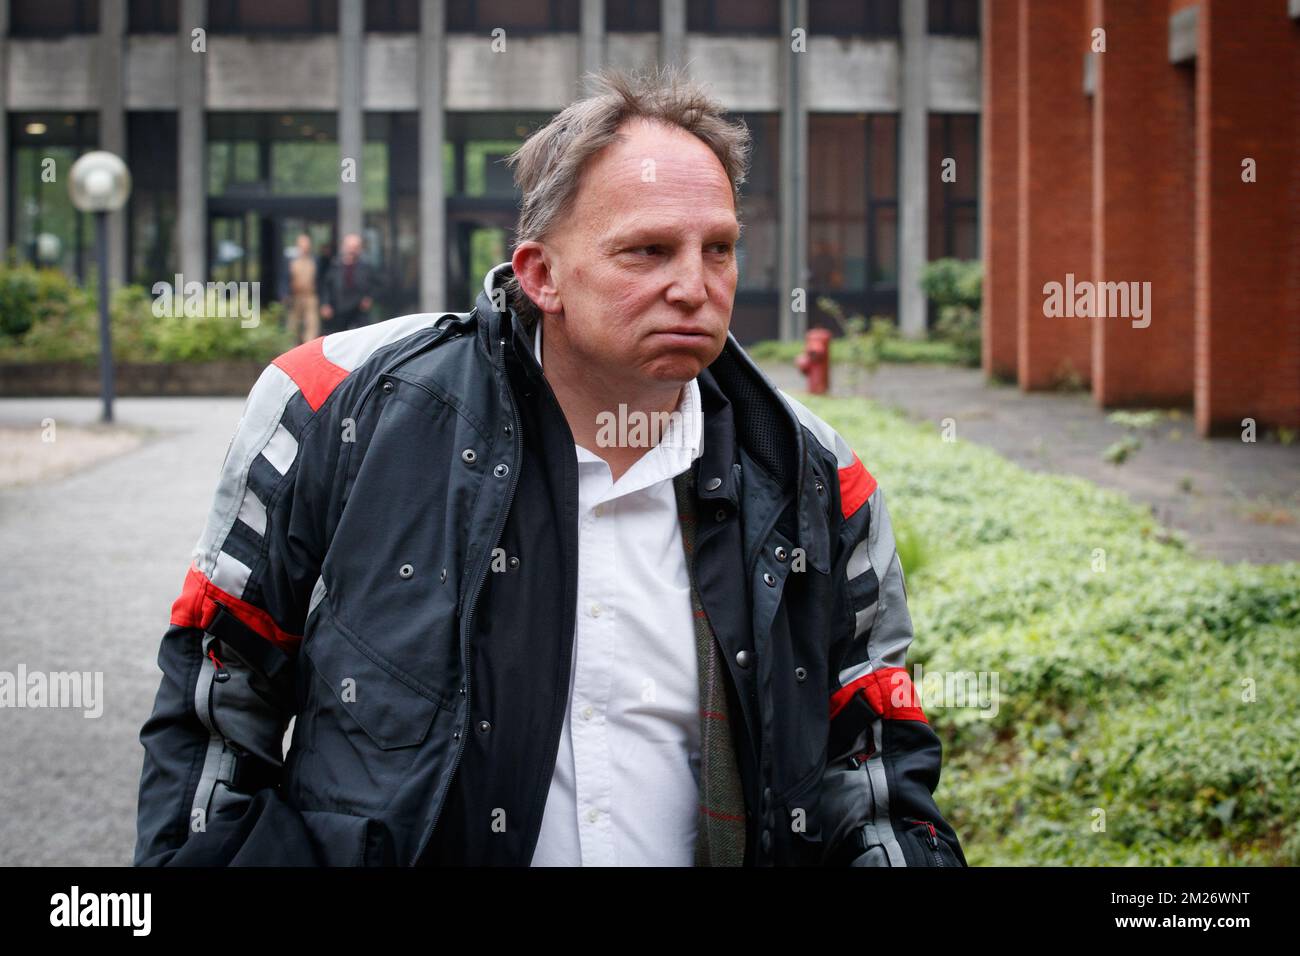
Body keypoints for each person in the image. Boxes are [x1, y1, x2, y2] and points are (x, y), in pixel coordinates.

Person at [133, 66, 967, 867]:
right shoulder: (338, 407)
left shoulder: (813, 476)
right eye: (648, 251)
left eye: (718, 248)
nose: (694, 286)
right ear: (541, 275)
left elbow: (870, 766)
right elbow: (220, 689)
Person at [319, 233, 376, 333]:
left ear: (360, 249)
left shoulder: (366, 267)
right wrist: (325, 304)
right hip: (338, 310)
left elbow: (377, 284)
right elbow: (325, 286)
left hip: (359, 311)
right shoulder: (333, 266)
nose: (352, 250)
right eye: (349, 247)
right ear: (343, 247)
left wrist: (369, 297)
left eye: (355, 247)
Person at [285, 233, 320, 344]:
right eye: (302, 245)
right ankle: (291, 347)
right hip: (295, 296)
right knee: (292, 324)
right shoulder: (291, 261)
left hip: (310, 296)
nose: (305, 247)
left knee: (312, 324)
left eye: (307, 245)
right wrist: (284, 295)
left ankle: (309, 346)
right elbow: (284, 279)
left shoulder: (315, 260)